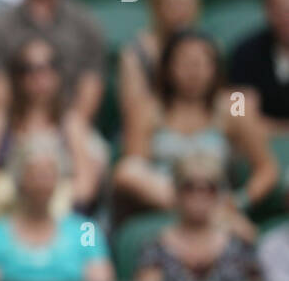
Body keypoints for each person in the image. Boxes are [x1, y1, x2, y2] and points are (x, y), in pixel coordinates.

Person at [114, 30, 279, 228]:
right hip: (165, 198)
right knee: (127, 171)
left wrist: (240, 201)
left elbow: (267, 168)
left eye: (201, 63)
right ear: (167, 67)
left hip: (214, 194)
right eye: (184, 63)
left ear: (215, 68)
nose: (193, 71)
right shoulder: (146, 108)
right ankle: (196, 209)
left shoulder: (234, 104)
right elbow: (135, 168)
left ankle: (208, 210)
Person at [0, 37, 108, 222]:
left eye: (47, 67)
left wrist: (51, 193)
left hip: (59, 219)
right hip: (9, 217)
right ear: (16, 76)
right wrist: (26, 189)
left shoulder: (71, 123)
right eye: (28, 69)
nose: (38, 76)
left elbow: (86, 187)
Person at [0, 134, 115, 281]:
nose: (42, 180)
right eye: (34, 173)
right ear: (19, 179)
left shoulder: (86, 230)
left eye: (49, 172)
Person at [133, 152, 262, 281]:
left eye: (209, 188)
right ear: (176, 192)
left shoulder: (240, 245)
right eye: (189, 187)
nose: (200, 196)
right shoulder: (154, 249)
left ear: (219, 194)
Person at [118, 0, 201, 115]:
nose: (181, 10)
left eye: (186, 2)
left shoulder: (208, 50)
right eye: (173, 2)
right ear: (155, 5)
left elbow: (221, 104)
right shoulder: (135, 52)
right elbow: (132, 109)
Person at [228, 0, 289, 134]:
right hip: (258, 141)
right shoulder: (243, 53)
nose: (285, 17)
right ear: (266, 10)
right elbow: (236, 112)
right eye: (278, 8)